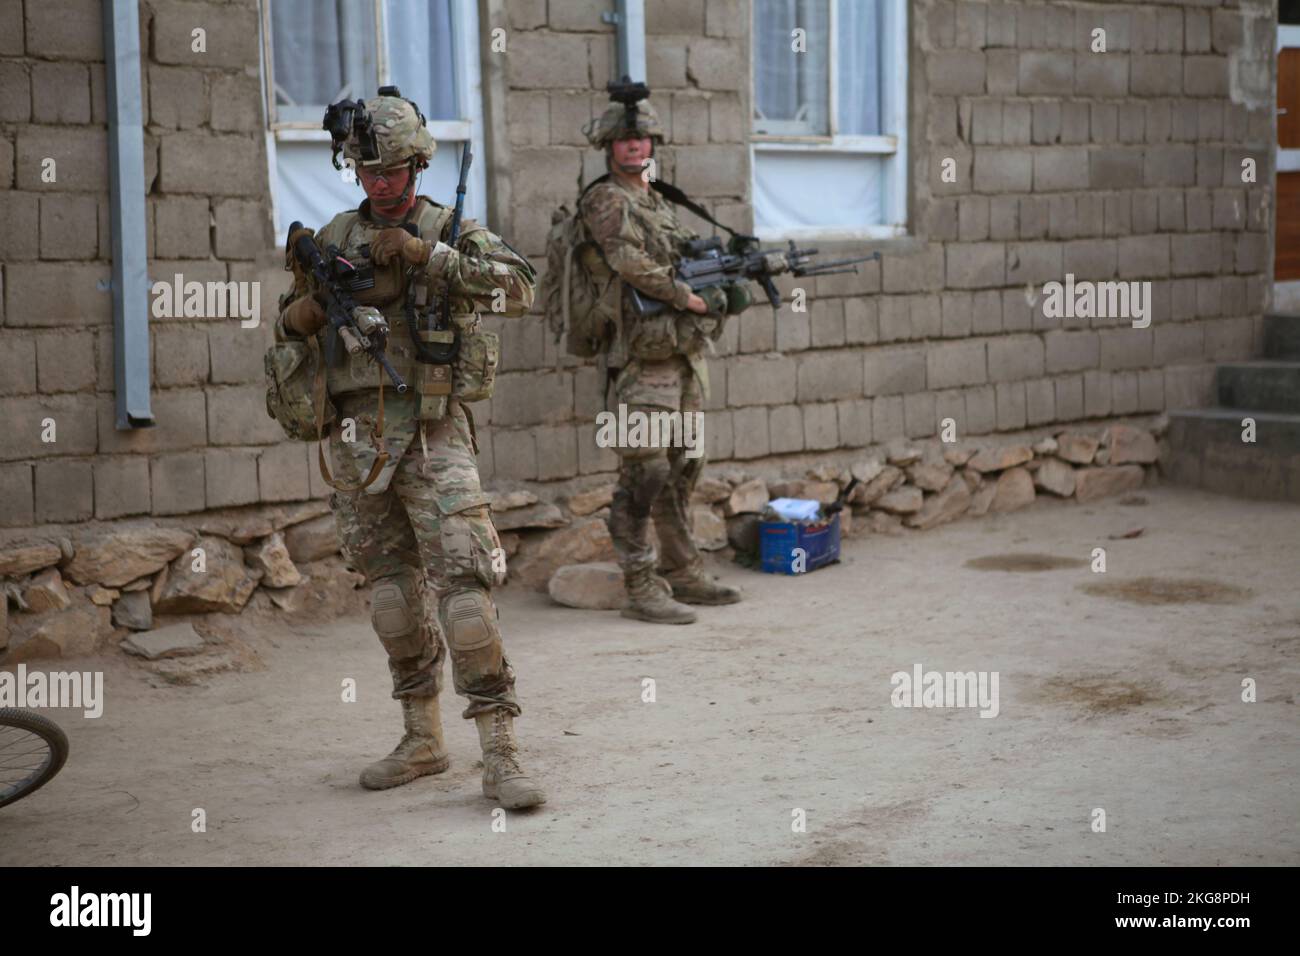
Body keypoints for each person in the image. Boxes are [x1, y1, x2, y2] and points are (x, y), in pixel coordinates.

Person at [275, 88, 544, 809]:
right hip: (359, 443)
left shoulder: (449, 227)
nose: (379, 181)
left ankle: (500, 750)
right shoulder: (332, 237)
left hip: (432, 433)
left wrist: (431, 257)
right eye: (366, 168)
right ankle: (422, 739)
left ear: (418, 164)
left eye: (392, 168)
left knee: (465, 592)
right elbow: (289, 324)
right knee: (391, 597)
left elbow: (519, 289)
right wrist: (306, 309)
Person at [578, 94, 749, 625]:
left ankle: (682, 570)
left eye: (643, 137)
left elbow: (687, 259)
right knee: (644, 471)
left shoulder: (659, 201)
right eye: (625, 138)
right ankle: (639, 584)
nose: (635, 144)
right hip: (639, 361)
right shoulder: (606, 200)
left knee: (683, 467)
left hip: (684, 357)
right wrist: (686, 296)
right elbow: (626, 259)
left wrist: (726, 281)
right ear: (609, 146)